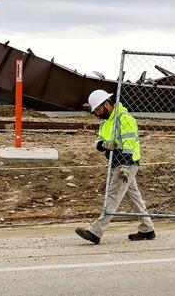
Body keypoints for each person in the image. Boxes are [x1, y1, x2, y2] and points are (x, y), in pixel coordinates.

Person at [75, 89, 155, 244]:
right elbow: (98, 143)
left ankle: (95, 231)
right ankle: (147, 228)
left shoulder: (124, 118)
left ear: (107, 104)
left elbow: (129, 144)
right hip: (117, 163)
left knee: (112, 196)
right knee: (134, 196)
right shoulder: (106, 122)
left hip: (127, 163)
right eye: (95, 111)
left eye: (98, 109)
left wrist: (124, 165)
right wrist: (103, 144)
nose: (97, 113)